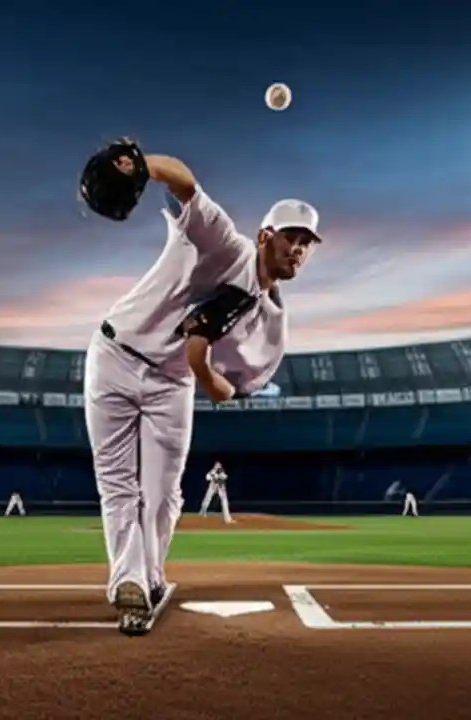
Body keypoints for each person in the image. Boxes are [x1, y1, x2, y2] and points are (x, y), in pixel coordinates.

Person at [84, 150, 322, 636]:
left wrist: (205, 372)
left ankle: (149, 576)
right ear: (265, 236)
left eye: (307, 242)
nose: (298, 248)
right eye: (290, 237)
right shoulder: (223, 240)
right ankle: (129, 581)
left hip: (172, 384)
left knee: (164, 492)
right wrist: (138, 164)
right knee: (118, 483)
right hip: (113, 355)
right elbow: (185, 183)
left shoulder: (270, 319)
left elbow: (230, 387)